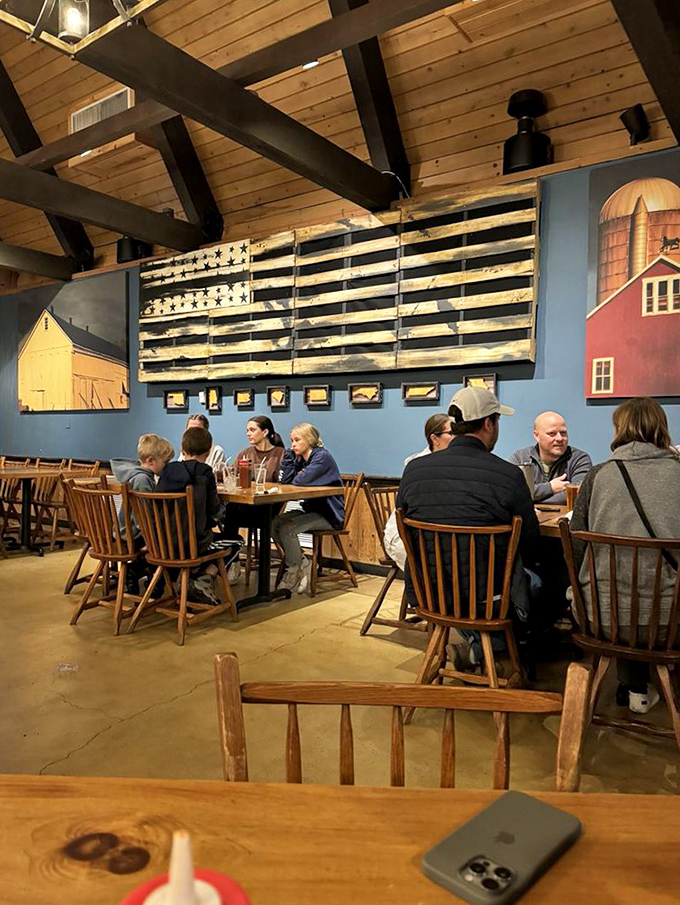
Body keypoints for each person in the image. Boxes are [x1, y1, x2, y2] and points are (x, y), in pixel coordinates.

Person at [397, 386, 541, 671]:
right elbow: (530, 543)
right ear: (489, 423)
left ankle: (477, 649)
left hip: (430, 591)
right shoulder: (508, 475)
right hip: (487, 599)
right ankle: (500, 649)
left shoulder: (415, 470)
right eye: (497, 421)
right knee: (540, 581)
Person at [570, 397, 680, 715]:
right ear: (662, 428)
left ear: (620, 429)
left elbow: (577, 547)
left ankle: (634, 688)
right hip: (670, 624)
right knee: (653, 597)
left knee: (621, 597)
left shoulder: (598, 476)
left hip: (601, 620)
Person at [157, 426, 227, 606]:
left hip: (162, 544)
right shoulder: (204, 473)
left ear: (182, 450)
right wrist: (225, 511)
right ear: (209, 450)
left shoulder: (166, 471)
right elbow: (214, 509)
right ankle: (200, 579)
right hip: (194, 545)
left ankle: (184, 576)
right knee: (235, 543)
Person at [273, 422, 344, 594]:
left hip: (329, 515)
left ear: (309, 439)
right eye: (291, 441)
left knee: (287, 528)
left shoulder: (322, 457)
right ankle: (302, 562)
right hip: (310, 510)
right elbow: (286, 481)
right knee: (273, 523)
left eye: (297, 440)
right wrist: (289, 456)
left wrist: (295, 470)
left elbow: (299, 481)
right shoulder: (300, 459)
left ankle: (293, 568)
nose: (293, 444)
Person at [385, 414, 454, 570]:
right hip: (404, 533)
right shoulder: (416, 465)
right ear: (434, 439)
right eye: (451, 433)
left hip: (433, 531)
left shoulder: (454, 463)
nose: (456, 437)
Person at [111, 434, 174, 593]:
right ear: (151, 461)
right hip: (135, 534)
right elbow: (143, 518)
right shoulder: (142, 480)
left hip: (126, 532)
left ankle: (148, 578)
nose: (167, 467)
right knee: (170, 545)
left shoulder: (137, 476)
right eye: (165, 463)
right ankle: (148, 580)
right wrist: (150, 541)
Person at [508, 411, 592, 504]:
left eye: (563, 433)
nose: (559, 438)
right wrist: (550, 487)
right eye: (552, 433)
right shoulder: (520, 458)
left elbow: (578, 495)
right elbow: (510, 493)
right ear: (536, 436)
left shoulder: (580, 459)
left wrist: (531, 499)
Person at [233, 415, 285, 483]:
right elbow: (232, 474)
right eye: (247, 430)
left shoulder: (281, 454)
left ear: (265, 432)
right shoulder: (245, 454)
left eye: (252, 430)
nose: (248, 434)